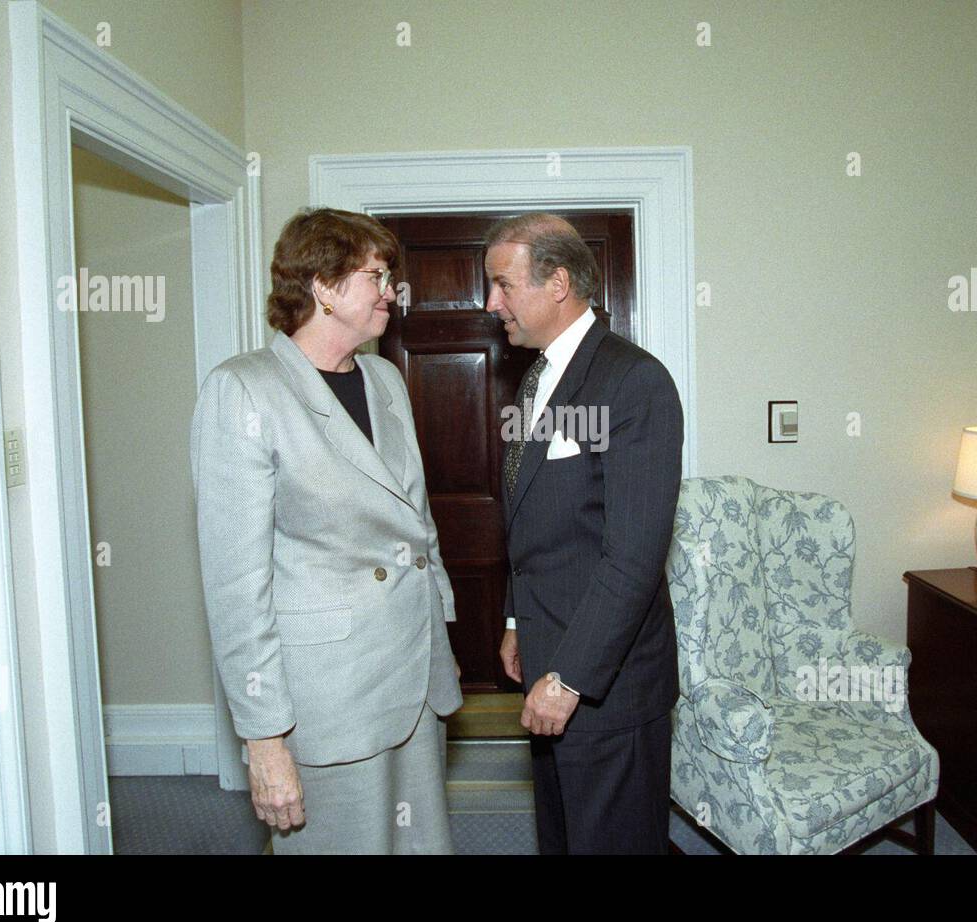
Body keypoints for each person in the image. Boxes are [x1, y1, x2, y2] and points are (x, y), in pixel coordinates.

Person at [190, 207, 462, 854]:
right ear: (322, 285)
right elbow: (236, 586)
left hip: (415, 672)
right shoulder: (244, 393)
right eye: (376, 274)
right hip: (329, 693)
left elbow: (417, 521)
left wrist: (440, 625)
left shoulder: (385, 379)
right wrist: (264, 740)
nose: (390, 289)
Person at [488, 213, 683, 854]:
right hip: (545, 654)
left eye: (502, 285)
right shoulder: (534, 378)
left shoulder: (636, 382)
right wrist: (518, 622)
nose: (493, 305)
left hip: (607, 684)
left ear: (558, 283)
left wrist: (569, 678)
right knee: (564, 834)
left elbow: (634, 556)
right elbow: (531, 518)